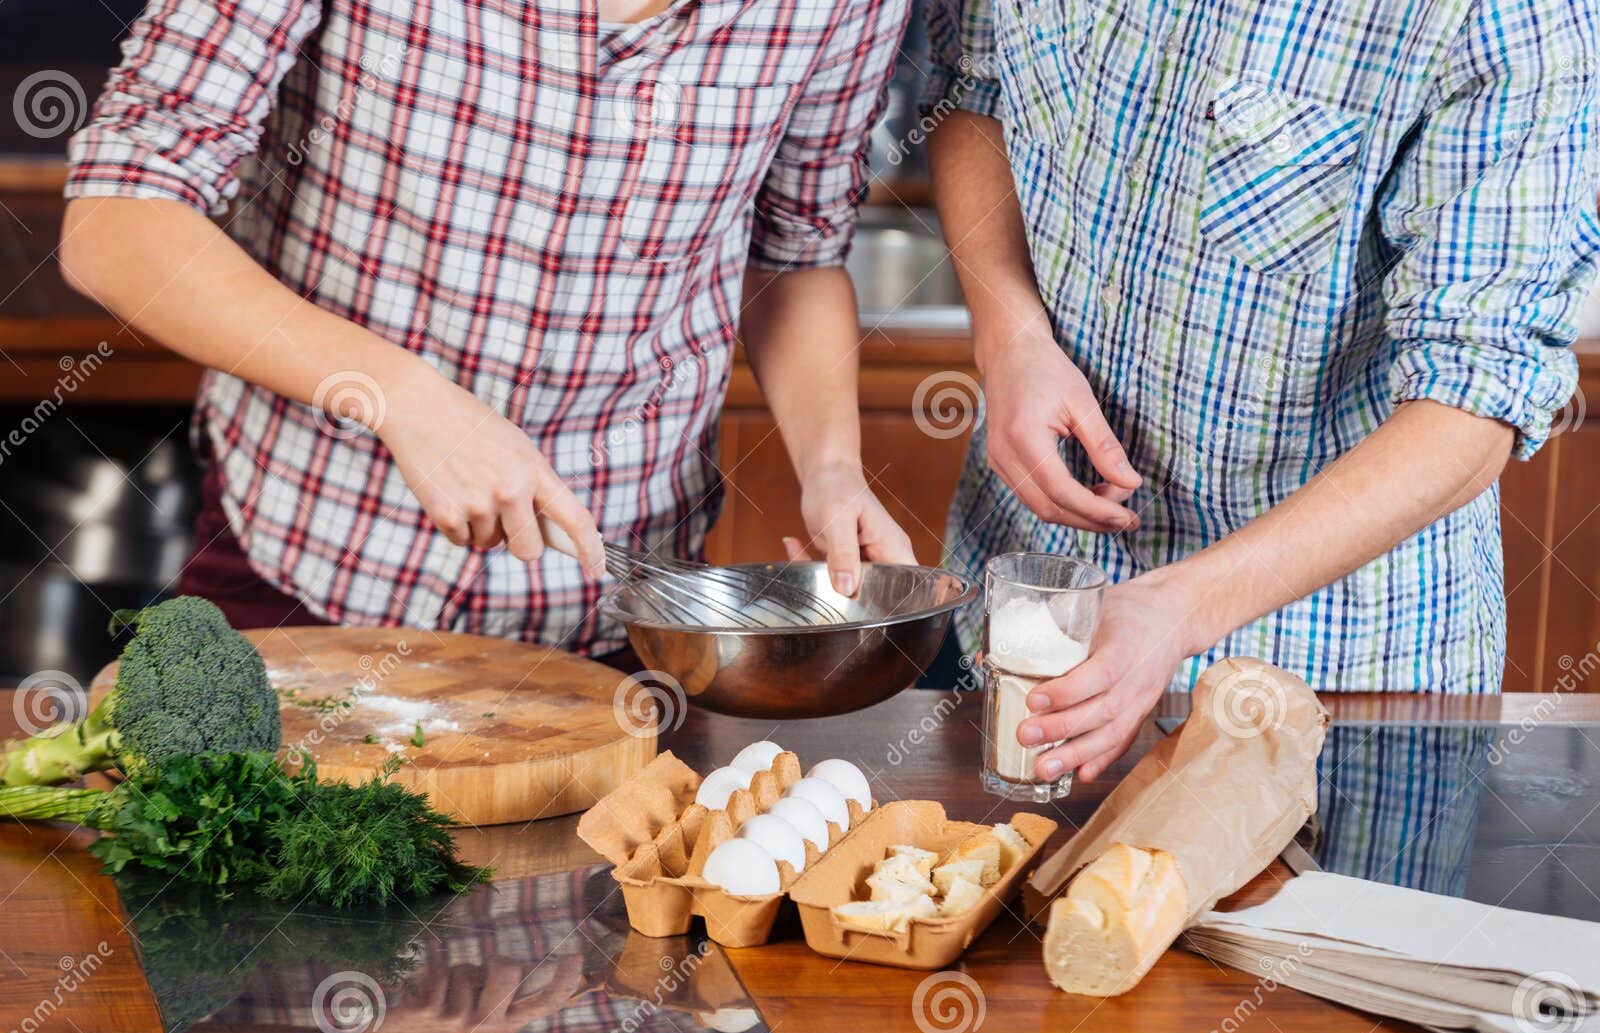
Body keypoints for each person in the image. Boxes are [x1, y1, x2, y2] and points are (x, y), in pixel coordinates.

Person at [59, 0, 916, 655]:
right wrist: (397, 397)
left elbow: (792, 255)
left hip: (615, 617)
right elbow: (118, 219)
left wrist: (833, 468)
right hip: (297, 563)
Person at [924, 0, 1599, 781]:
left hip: (1326, 682)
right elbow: (970, 95)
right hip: (1019, 615)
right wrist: (1011, 337)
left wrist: (1175, 608)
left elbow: (1475, 395)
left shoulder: (1513, 17)